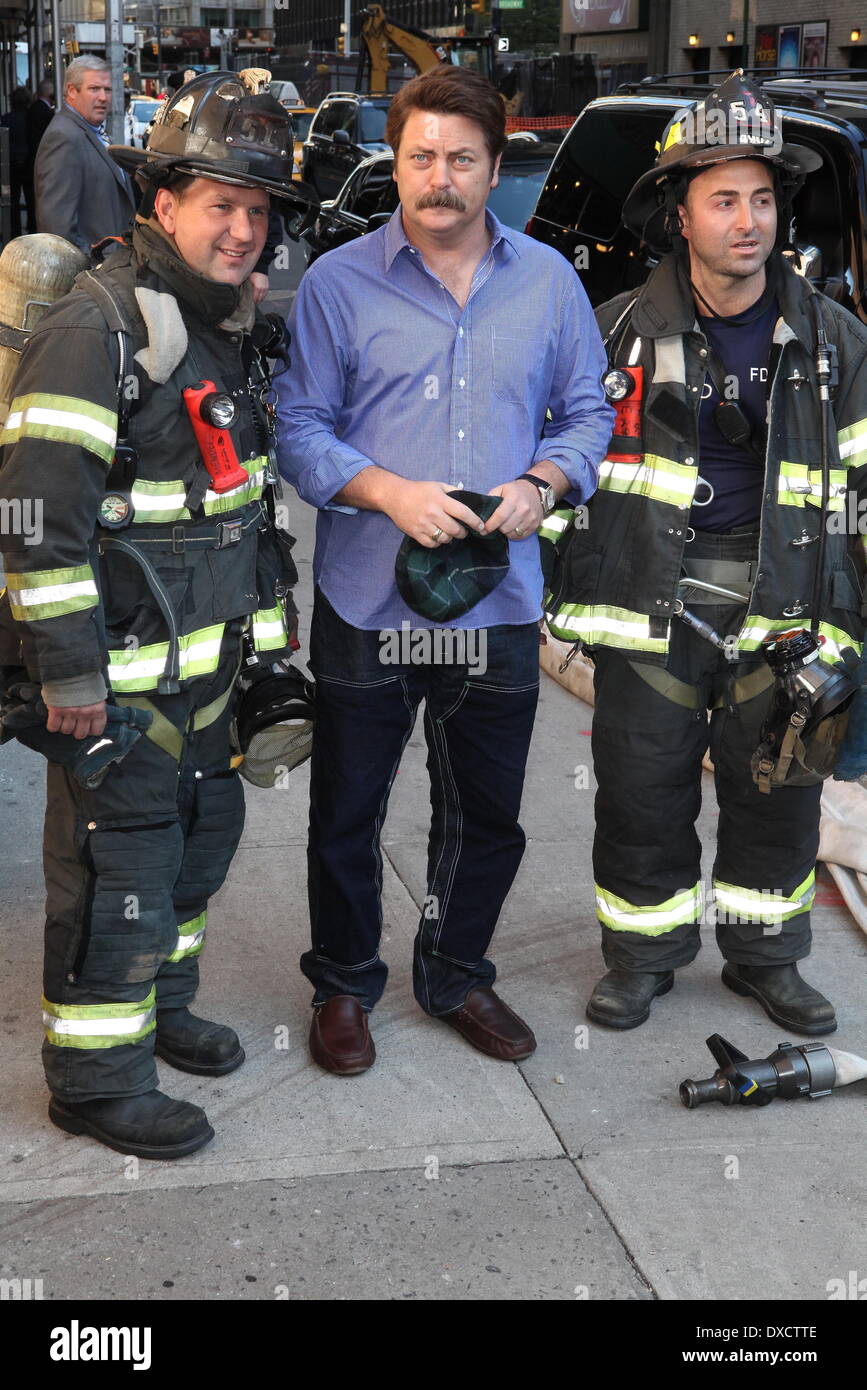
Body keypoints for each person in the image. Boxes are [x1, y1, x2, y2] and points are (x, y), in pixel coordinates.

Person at [276, 66, 613, 1075]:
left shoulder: (549, 281)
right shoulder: (340, 282)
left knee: (486, 811)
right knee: (348, 808)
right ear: (397, 159)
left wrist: (547, 480)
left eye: (462, 158)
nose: (439, 177)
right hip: (368, 600)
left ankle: (455, 969)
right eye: (420, 154)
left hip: (498, 605)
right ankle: (343, 981)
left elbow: (590, 411)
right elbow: (297, 426)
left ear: (494, 168)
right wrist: (384, 489)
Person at [0, 72, 307, 1159]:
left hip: (206, 682)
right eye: (218, 203)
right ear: (161, 201)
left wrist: (268, 666)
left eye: (257, 209)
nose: (240, 229)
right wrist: (72, 679)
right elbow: (35, 523)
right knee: (118, 877)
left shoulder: (226, 329)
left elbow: (244, 521)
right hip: (118, 696)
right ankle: (95, 1074)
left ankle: (161, 1013)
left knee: (194, 857)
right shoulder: (97, 330)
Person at [546, 71, 867, 1033]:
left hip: (788, 606)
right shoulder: (616, 338)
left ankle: (764, 955)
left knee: (777, 796)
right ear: (678, 215)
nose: (748, 219)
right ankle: (642, 958)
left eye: (762, 198)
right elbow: (565, 475)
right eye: (722, 198)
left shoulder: (833, 341)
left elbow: (859, 493)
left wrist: (846, 628)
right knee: (641, 796)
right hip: (651, 605)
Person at [34, 55, 136, 254]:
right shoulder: (63, 137)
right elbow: (57, 231)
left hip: (113, 267)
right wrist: (88, 273)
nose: (103, 97)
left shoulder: (91, 129)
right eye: (94, 89)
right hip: (94, 274)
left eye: (107, 89)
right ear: (72, 91)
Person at [1, 88, 34, 238]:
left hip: (11, 164)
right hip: (28, 164)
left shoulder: (7, 119)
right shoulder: (30, 118)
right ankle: (33, 231)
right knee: (32, 200)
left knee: (12, 202)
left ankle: (15, 234)